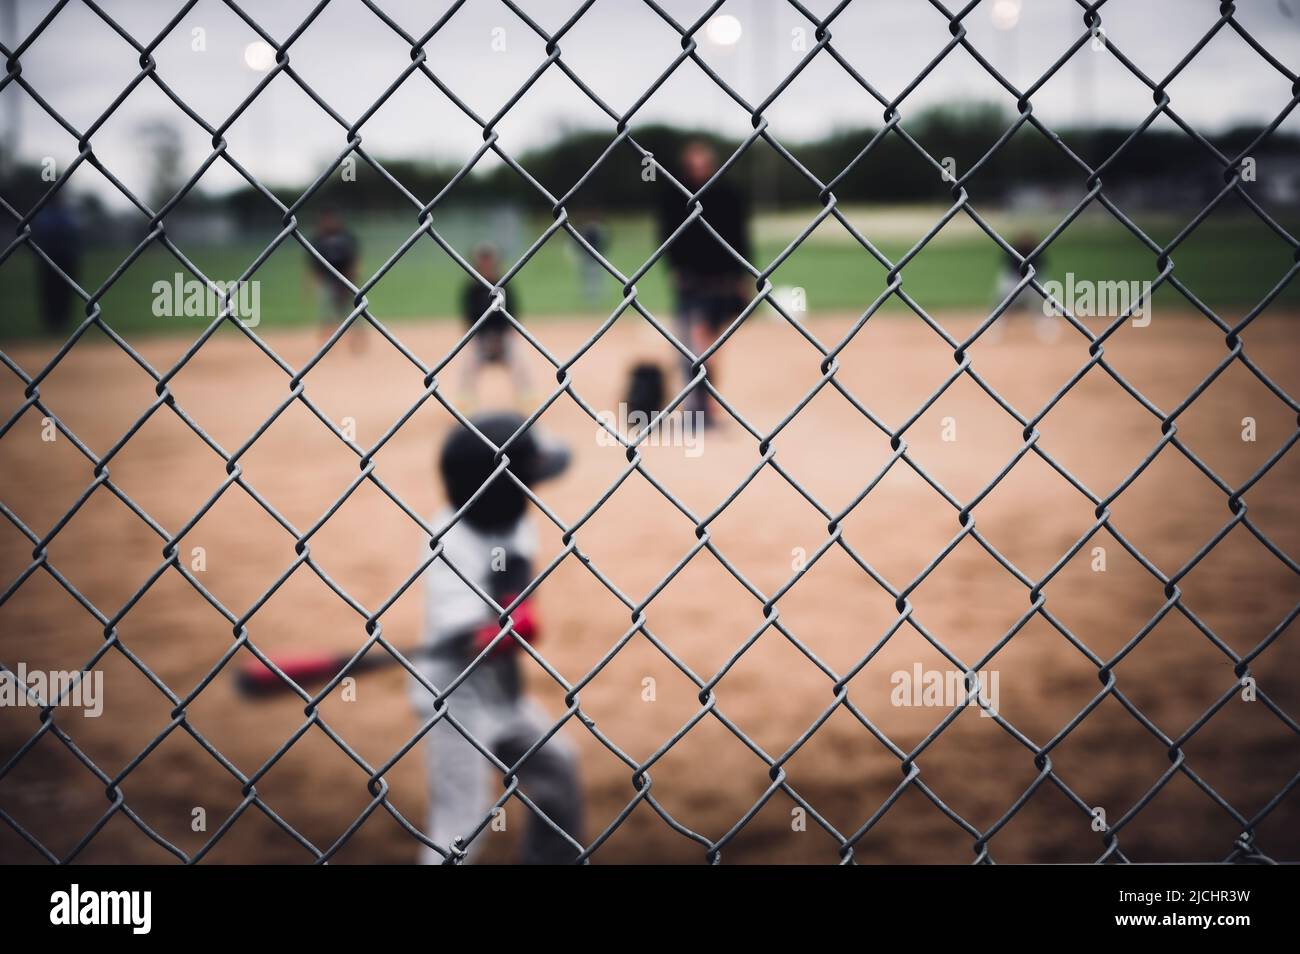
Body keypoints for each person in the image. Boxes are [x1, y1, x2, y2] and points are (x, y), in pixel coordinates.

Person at [410, 412, 582, 864]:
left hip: (504, 694)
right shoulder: (448, 543)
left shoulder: (514, 515)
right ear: (501, 487)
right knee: (460, 826)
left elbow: (517, 573)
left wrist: (516, 606)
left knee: (558, 772)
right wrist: (504, 632)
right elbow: (470, 642)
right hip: (454, 700)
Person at [655, 140, 753, 429]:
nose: (699, 170)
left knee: (710, 347)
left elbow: (740, 237)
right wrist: (674, 269)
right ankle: (696, 409)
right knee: (693, 345)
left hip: (722, 283)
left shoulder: (727, 195)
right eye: (693, 164)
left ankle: (704, 407)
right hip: (691, 282)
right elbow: (666, 236)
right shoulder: (675, 196)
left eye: (704, 164)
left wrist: (743, 275)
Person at [459, 243, 532, 408]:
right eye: (483, 261)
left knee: (520, 358)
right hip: (480, 338)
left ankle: (527, 399)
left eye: (489, 261)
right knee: (467, 362)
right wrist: (483, 338)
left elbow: (513, 316)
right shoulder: (471, 289)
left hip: (503, 336)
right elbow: (468, 319)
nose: (486, 265)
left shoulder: (504, 286)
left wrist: (500, 337)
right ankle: (465, 402)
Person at [307, 207, 362, 350]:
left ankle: (356, 338)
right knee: (326, 311)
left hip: (346, 279)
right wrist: (313, 282)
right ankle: (327, 341)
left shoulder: (346, 236)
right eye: (326, 219)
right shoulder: (318, 238)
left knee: (351, 309)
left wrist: (352, 278)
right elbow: (313, 263)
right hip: (327, 279)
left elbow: (354, 259)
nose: (329, 222)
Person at [30, 195, 82, 335]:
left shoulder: (65, 215)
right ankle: (52, 322)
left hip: (65, 259)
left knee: (64, 292)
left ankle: (62, 321)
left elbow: (76, 234)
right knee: (50, 292)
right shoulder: (48, 216)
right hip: (50, 259)